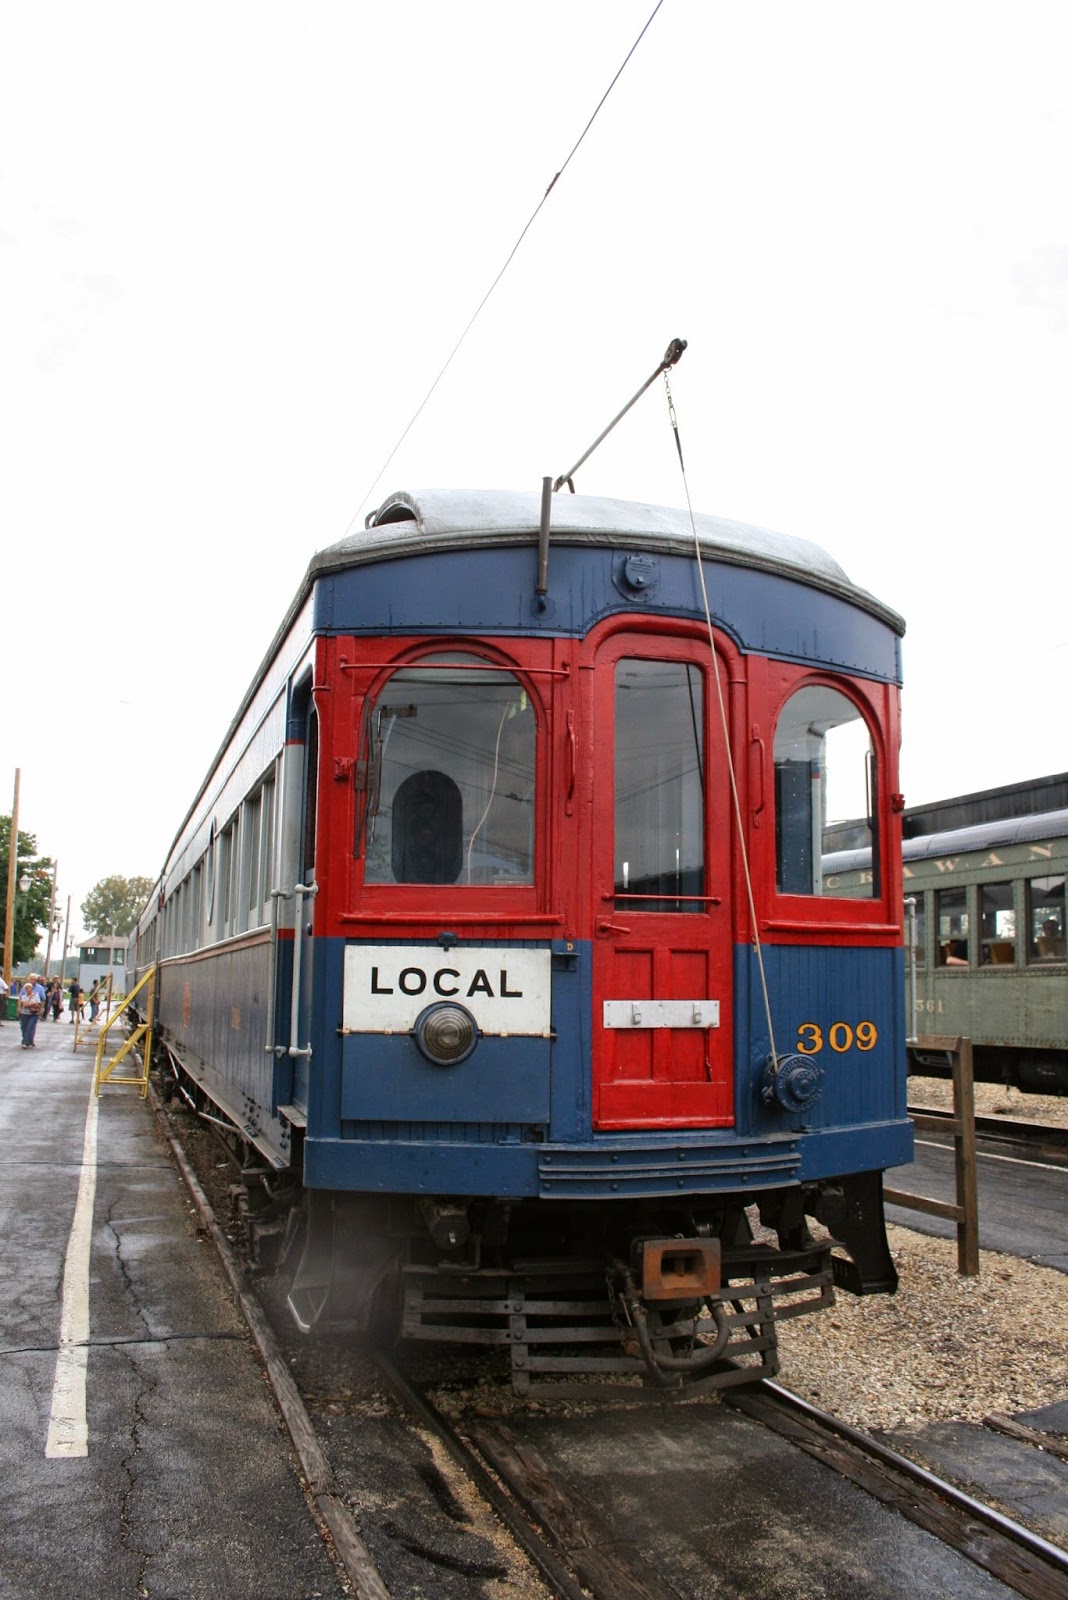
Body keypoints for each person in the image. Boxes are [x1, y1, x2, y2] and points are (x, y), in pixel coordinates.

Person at [18, 976, 42, 1048]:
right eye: (27, 988)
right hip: (24, 1014)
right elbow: (24, 1005)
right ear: (25, 989)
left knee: (30, 1027)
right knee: (23, 1027)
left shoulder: (36, 995)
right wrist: (33, 1003)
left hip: (33, 1014)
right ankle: (29, 1040)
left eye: (29, 988)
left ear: (32, 989)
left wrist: (30, 1004)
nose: (28, 989)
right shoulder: (23, 996)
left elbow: (38, 1004)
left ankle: (25, 1043)